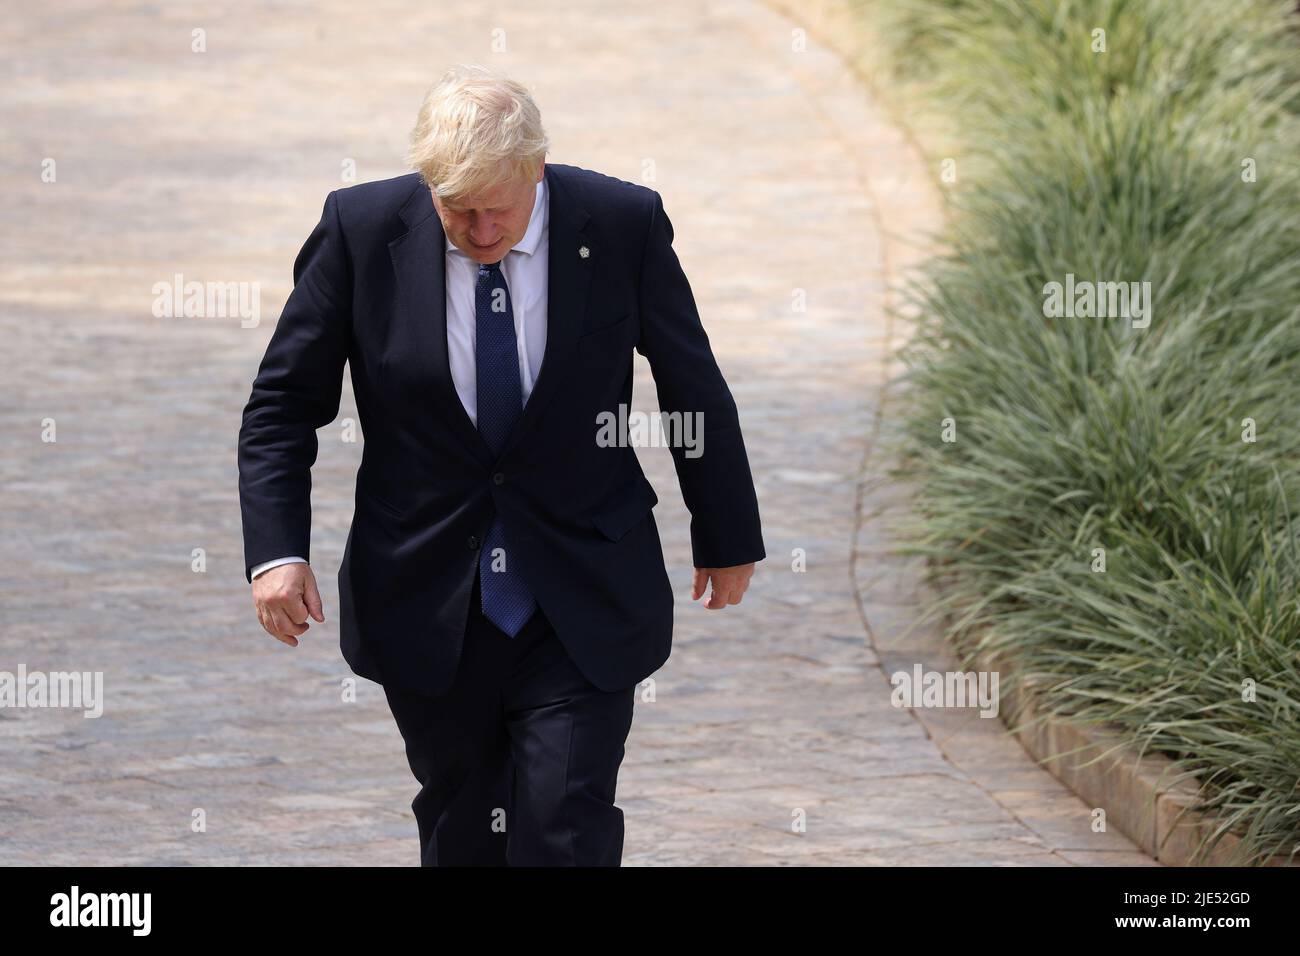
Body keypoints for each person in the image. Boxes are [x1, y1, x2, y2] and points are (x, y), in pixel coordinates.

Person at [237, 63, 765, 866]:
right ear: (428, 184)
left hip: (581, 585)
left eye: (501, 210)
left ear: (538, 169)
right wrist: (278, 553)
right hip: (427, 591)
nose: (483, 232)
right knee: (461, 823)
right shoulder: (360, 229)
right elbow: (282, 405)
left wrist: (726, 532)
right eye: (459, 210)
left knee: (563, 821)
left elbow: (691, 384)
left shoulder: (620, 221)